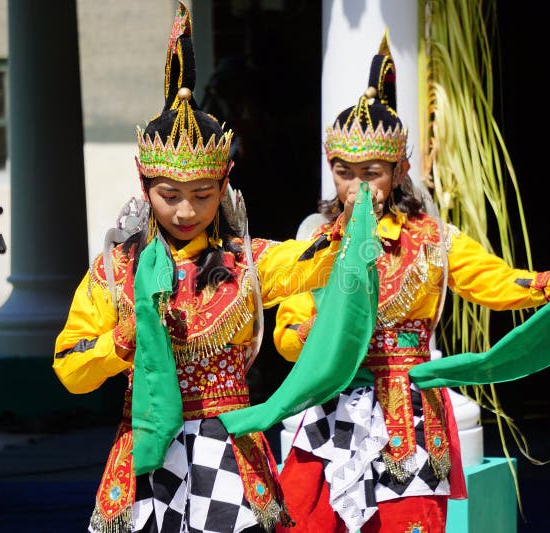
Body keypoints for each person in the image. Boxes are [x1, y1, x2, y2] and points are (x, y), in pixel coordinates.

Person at [52, 4, 380, 532]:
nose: (186, 211)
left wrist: (350, 222)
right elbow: (69, 365)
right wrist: (121, 341)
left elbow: (309, 264)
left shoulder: (244, 261)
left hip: (227, 449)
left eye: (203, 195)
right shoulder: (116, 270)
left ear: (223, 186)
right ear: (144, 186)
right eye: (169, 195)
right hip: (145, 456)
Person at [272, 34, 550, 533]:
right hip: (333, 406)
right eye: (344, 172)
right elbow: (286, 333)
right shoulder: (315, 245)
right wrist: (312, 334)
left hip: (409, 413)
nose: (355, 186)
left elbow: (495, 282)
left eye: (371, 172)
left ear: (400, 170)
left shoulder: (434, 242)